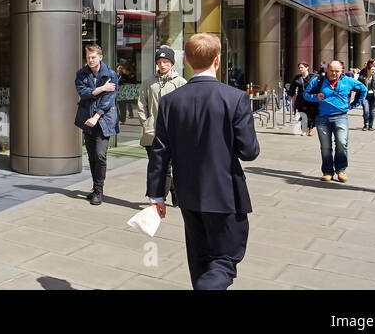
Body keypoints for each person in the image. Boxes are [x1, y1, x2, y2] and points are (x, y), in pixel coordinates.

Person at [146, 31, 259, 290]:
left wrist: (156, 196)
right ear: (218, 61)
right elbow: (249, 151)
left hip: (188, 194)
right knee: (224, 260)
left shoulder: (170, 101)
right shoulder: (235, 98)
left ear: (185, 61)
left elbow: (160, 152)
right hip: (225, 193)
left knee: (199, 259)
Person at [304, 60, 366, 181]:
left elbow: (363, 89)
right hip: (322, 118)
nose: (334, 73)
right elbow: (306, 94)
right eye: (331, 71)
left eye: (337, 71)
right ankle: (327, 171)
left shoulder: (348, 80)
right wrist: (315, 97)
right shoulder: (318, 81)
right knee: (326, 146)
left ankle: (341, 170)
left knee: (342, 144)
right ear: (327, 69)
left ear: (342, 71)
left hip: (341, 116)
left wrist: (354, 104)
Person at [74, 42, 119, 206]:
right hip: (87, 119)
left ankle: (99, 191)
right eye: (88, 57)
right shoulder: (81, 73)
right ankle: (95, 188)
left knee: (100, 155)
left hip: (103, 120)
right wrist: (100, 89)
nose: (90, 60)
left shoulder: (111, 74)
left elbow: (108, 100)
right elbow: (82, 92)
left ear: (100, 57)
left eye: (93, 57)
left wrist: (96, 116)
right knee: (92, 156)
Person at [139, 45, 186, 203]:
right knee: (156, 166)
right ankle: (173, 191)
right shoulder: (148, 82)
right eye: (159, 61)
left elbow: (184, 108)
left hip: (172, 133)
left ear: (172, 63)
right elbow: (141, 104)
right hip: (151, 132)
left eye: (166, 61)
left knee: (165, 167)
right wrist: (146, 123)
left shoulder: (180, 83)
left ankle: (158, 201)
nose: (162, 64)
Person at [286, 63, 318, 136]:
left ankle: (310, 128)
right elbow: (292, 88)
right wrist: (289, 98)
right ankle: (303, 130)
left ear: (307, 67)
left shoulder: (313, 77)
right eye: (299, 68)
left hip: (311, 98)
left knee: (311, 114)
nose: (300, 69)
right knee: (302, 114)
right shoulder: (297, 78)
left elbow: (318, 87)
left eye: (302, 67)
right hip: (301, 99)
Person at [357, 60, 375, 131]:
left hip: (374, 97)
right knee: (366, 110)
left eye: (374, 70)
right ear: (368, 70)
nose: (374, 71)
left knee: (372, 111)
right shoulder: (362, 78)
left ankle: (371, 125)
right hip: (365, 97)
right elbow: (358, 87)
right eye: (372, 69)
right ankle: (366, 124)